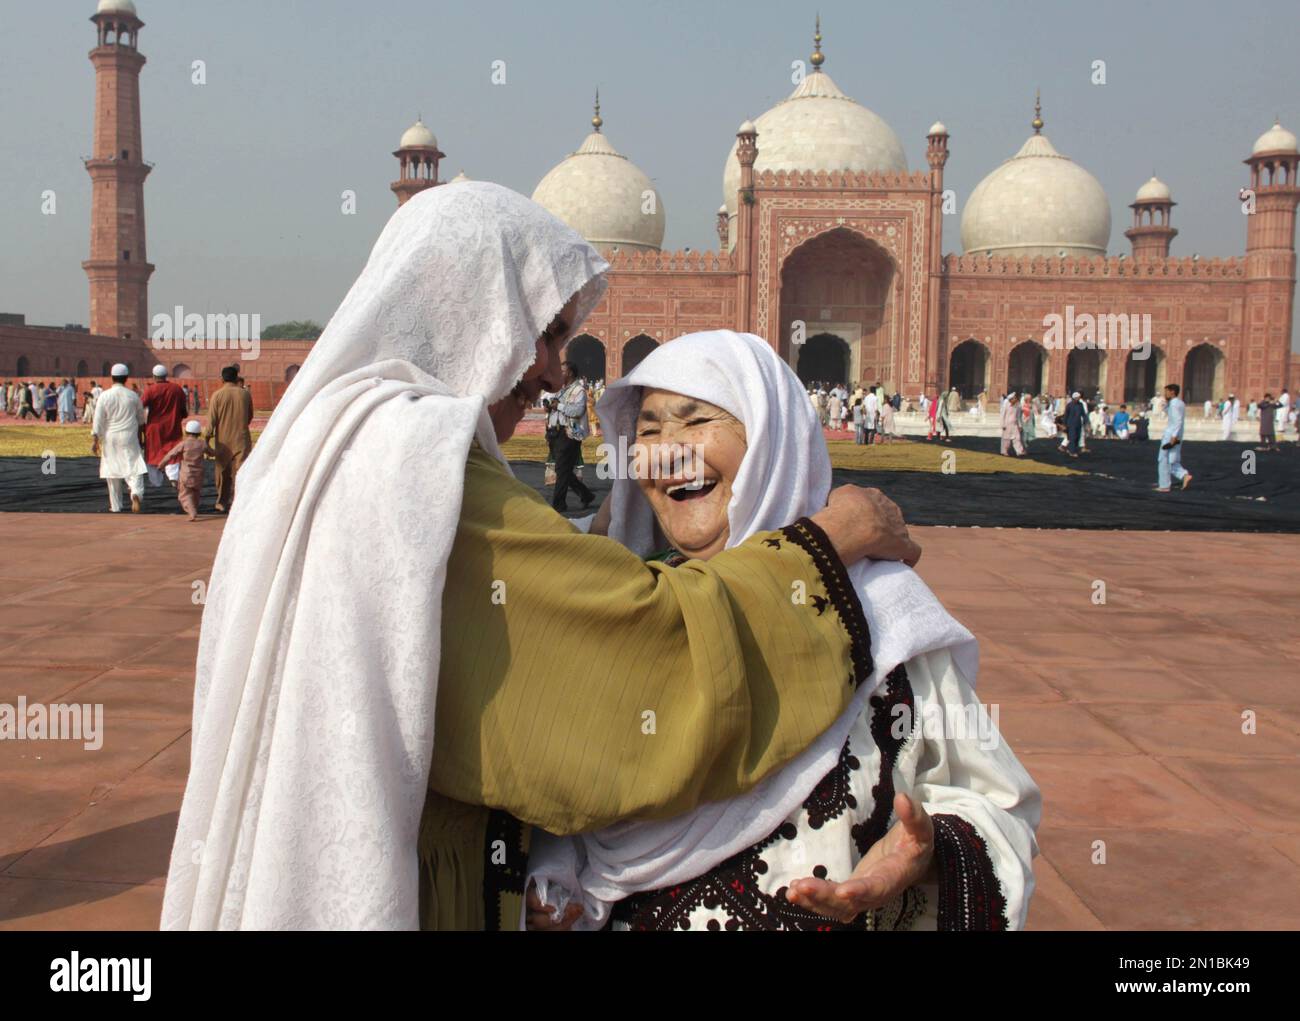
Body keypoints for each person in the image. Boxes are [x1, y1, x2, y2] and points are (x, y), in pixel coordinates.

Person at [159, 182, 921, 931]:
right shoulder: (419, 468)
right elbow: (646, 667)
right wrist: (831, 539)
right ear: (478, 314)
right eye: (548, 334)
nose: (557, 370)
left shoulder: (327, 441)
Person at [527, 332, 1039, 931]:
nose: (666, 452)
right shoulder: (628, 606)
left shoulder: (883, 615)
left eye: (694, 421)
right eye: (648, 430)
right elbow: (556, 793)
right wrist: (556, 876)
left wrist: (926, 855)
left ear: (770, 439)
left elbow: (998, 805)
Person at [91, 363, 148, 513]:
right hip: (129, 436)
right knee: (133, 466)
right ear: (126, 378)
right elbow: (141, 420)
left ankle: (116, 506)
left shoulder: (104, 396)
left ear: (112, 377)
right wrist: (142, 438)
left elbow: (98, 420)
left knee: (112, 470)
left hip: (110, 437)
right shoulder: (133, 396)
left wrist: (95, 440)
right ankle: (136, 493)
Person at [205, 365, 254, 512]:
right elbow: (249, 416)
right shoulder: (245, 394)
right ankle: (239, 501)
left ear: (222, 378)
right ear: (236, 377)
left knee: (222, 472)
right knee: (241, 472)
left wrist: (207, 440)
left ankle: (222, 501)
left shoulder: (217, 395)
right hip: (242, 439)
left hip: (223, 441)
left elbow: (212, 420)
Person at [550, 360, 594, 511]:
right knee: (563, 470)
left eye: (562, 371)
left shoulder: (579, 391)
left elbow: (577, 411)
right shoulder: (563, 390)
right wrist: (551, 407)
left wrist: (559, 406)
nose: (559, 374)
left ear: (569, 373)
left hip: (570, 433)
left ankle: (559, 504)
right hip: (557, 433)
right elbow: (559, 409)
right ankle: (586, 494)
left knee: (562, 470)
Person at [142, 364, 188, 489]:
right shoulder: (176, 389)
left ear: (154, 376)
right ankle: (173, 478)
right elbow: (183, 409)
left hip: (154, 428)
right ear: (165, 375)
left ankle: (156, 482)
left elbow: (141, 405)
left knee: (153, 453)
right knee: (173, 451)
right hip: (172, 426)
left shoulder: (150, 390)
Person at [158, 420, 214, 520]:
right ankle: (194, 509)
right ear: (199, 433)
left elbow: (170, 455)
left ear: (186, 432)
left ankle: (192, 512)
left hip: (186, 475)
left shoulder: (183, 444)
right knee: (195, 494)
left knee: (184, 495)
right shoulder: (202, 444)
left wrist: (161, 465)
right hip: (199, 475)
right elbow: (211, 453)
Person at [1157, 382, 1192, 493]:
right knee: (1172, 459)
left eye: (1166, 391)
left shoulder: (1175, 404)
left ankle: (1164, 485)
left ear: (1172, 391)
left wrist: (1173, 436)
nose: (1165, 394)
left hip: (1171, 434)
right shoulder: (1179, 403)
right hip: (1176, 434)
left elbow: (1177, 421)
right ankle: (1184, 475)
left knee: (1163, 459)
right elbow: (1173, 416)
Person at [999, 389, 1024, 456]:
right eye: (1014, 398)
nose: (1015, 400)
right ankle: (1004, 451)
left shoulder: (1018, 405)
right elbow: (1002, 415)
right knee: (1006, 439)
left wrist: (1020, 425)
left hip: (1015, 424)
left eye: (1016, 398)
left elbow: (1019, 417)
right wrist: (1002, 424)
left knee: (1017, 438)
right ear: (1011, 399)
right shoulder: (1006, 404)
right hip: (1007, 425)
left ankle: (1019, 451)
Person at [1063, 391, 1086, 457]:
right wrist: (1064, 425)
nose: (1078, 399)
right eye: (1077, 398)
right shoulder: (1069, 405)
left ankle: (1071, 449)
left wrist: (1086, 422)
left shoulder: (1080, 405)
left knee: (1077, 438)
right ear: (1074, 398)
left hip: (1078, 424)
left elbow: (1083, 414)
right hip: (1071, 424)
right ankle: (1072, 452)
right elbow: (1066, 415)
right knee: (1072, 438)